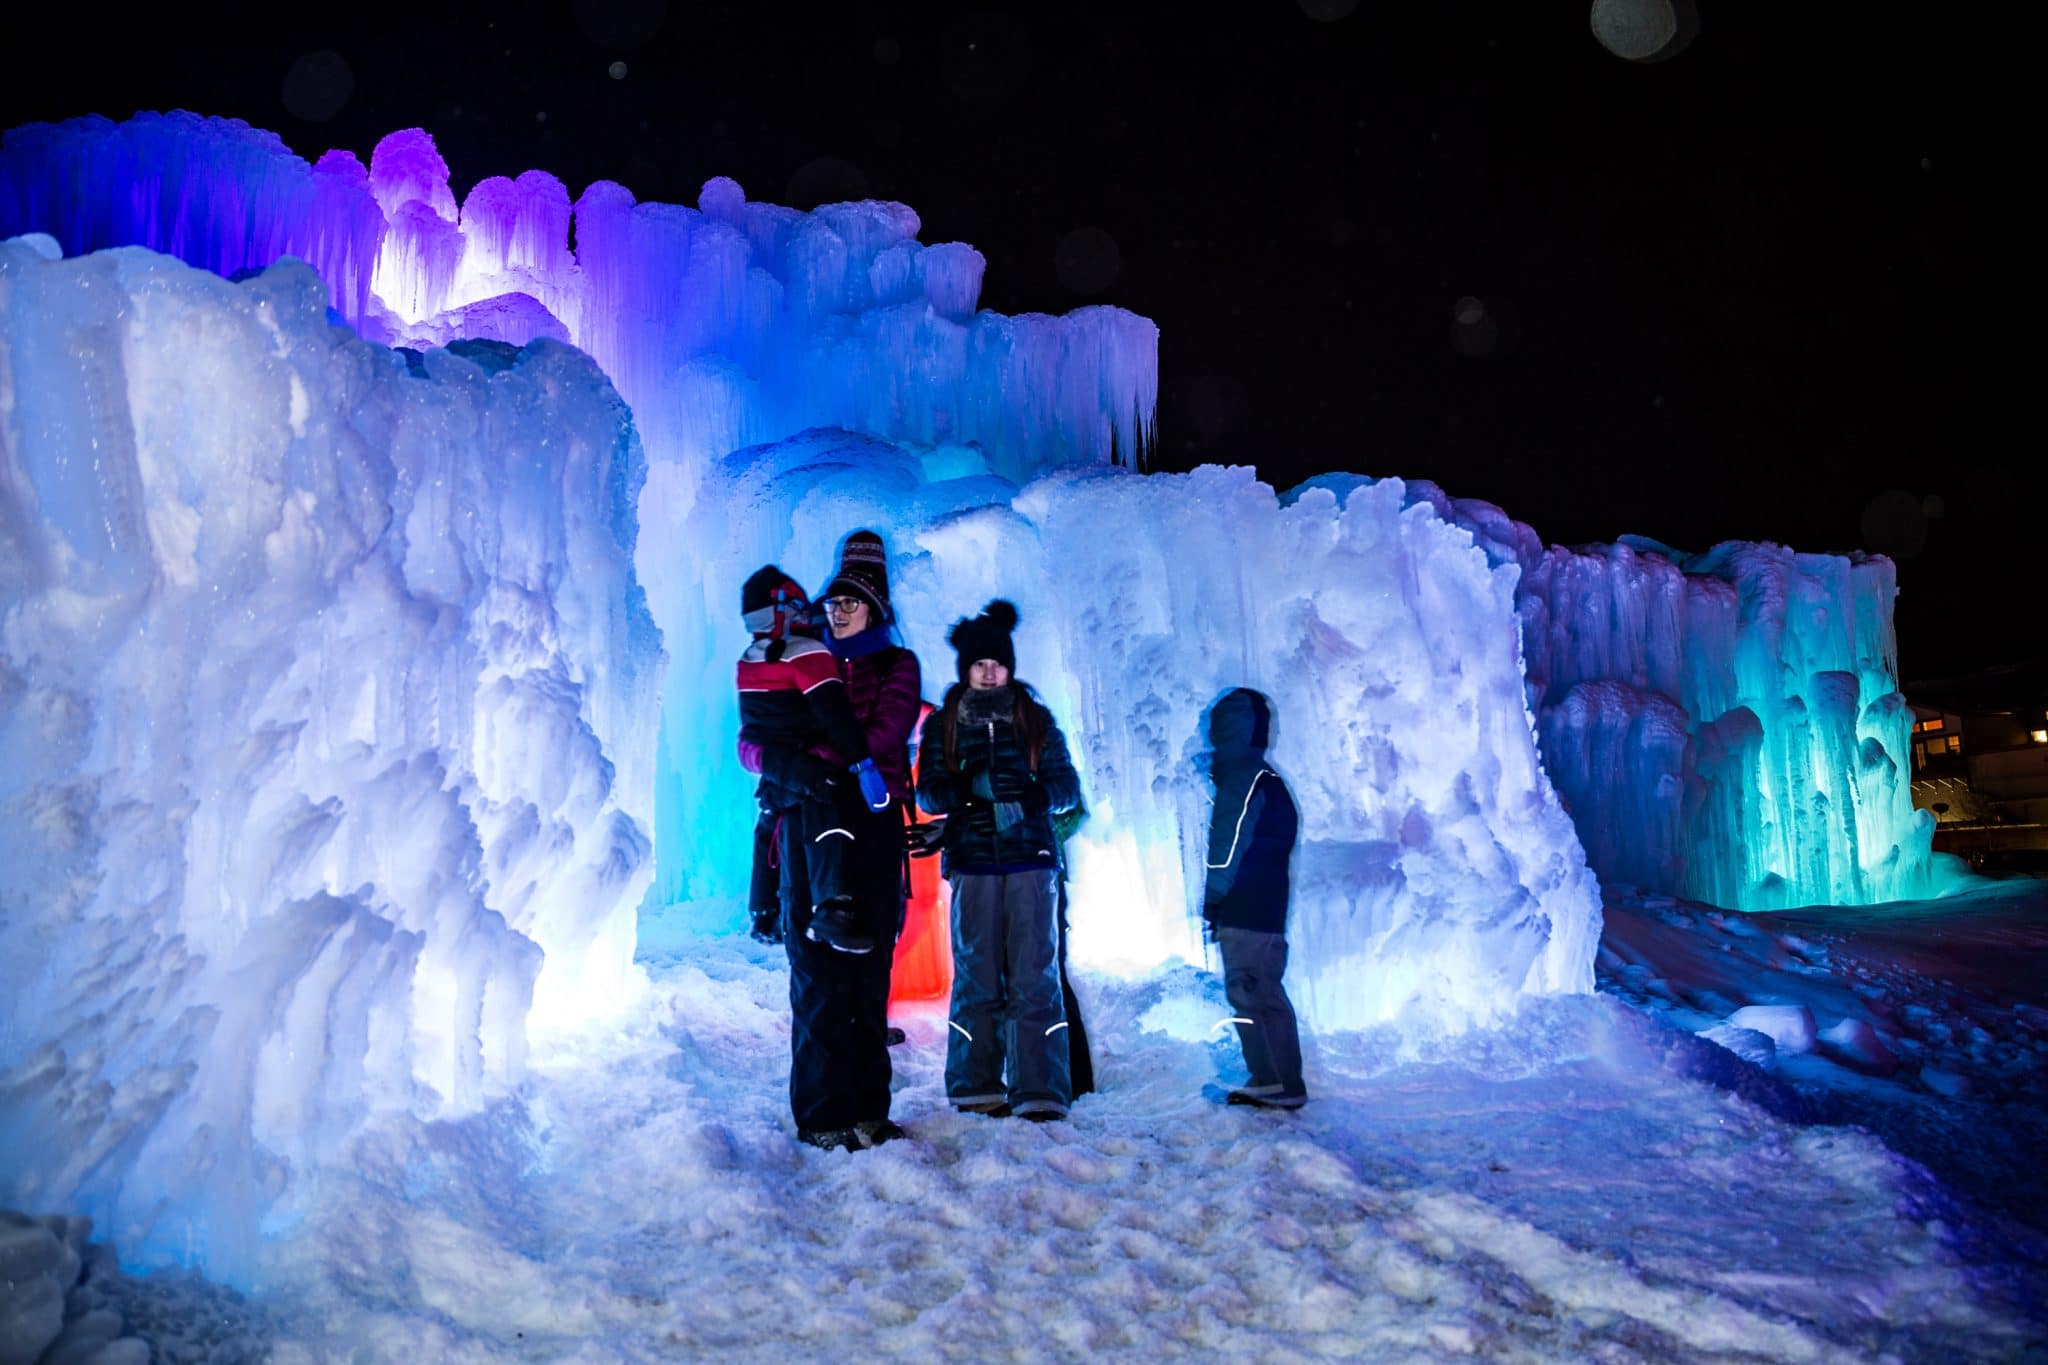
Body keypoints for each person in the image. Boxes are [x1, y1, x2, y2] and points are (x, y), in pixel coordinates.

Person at [742, 531, 922, 1151]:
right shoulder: (797, 657)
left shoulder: (897, 665)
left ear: (876, 607)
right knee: (817, 978)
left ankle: (870, 1109)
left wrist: (807, 757)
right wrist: (781, 765)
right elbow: (749, 738)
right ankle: (821, 1116)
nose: (840, 609)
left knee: (868, 980)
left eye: (853, 600)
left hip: (872, 828)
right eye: (835, 600)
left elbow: (887, 729)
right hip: (804, 828)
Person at [916, 600, 1083, 1121]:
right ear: (965, 669)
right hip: (972, 864)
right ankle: (975, 1084)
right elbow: (928, 795)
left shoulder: (1034, 720)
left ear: (1009, 666)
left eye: (997, 663)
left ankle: (1040, 1089)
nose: (988, 672)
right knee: (976, 976)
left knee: (1035, 976)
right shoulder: (944, 726)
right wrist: (969, 788)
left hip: (1031, 861)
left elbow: (1067, 787)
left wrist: (1035, 797)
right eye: (979, 664)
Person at [734, 565, 891, 953]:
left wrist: (767, 760)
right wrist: (862, 764)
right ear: (784, 609)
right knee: (830, 811)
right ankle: (833, 907)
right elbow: (836, 716)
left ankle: (763, 910)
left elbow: (753, 727)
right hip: (809, 761)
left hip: (774, 769)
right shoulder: (807, 652)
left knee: (769, 823)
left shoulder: (750, 657)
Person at [1201, 688, 1307, 1109]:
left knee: (1250, 992)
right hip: (1266, 907)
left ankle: (1272, 1078)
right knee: (1263, 990)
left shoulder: (1245, 777)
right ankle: (1279, 1078)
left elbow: (1227, 843)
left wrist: (1214, 896)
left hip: (1246, 907)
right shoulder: (1267, 776)